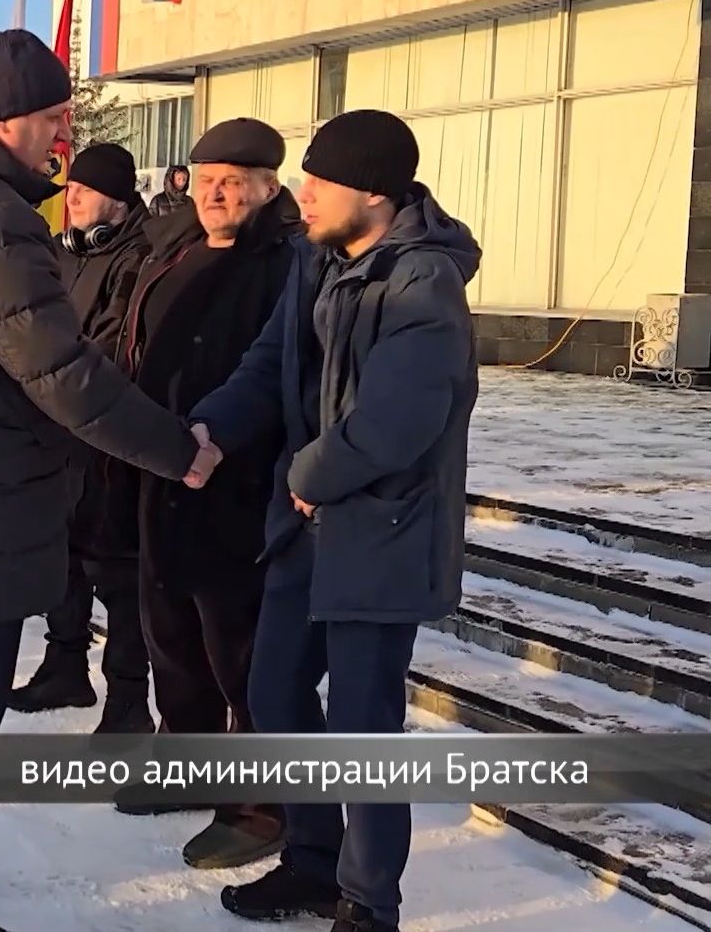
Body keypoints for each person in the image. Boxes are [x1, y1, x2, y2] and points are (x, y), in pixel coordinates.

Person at [0, 30, 219, 932]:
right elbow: (59, 372)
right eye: (57, 115)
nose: (65, 135)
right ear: (9, 116)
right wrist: (178, 450)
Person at [196, 109, 480, 932]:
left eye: (322, 180)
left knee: (363, 724)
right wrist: (208, 429)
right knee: (275, 688)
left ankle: (369, 902)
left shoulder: (423, 283)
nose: (303, 191)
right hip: (308, 529)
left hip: (384, 533)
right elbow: (267, 365)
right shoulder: (314, 262)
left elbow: (399, 419)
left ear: (376, 194)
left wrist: (310, 473)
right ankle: (314, 860)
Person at [112, 119, 300, 870]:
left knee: (240, 647)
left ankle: (260, 805)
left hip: (242, 483)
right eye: (206, 179)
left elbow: (278, 377)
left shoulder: (286, 265)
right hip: (162, 473)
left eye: (233, 182)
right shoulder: (175, 251)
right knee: (169, 628)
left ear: (268, 188)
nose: (215, 194)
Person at [9, 143, 156, 729]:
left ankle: (128, 700)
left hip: (109, 438)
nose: (70, 199)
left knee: (118, 574)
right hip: (57, 432)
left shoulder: (140, 258)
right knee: (62, 557)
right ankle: (65, 667)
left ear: (117, 201)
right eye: (70, 188)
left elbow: (113, 345)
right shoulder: (64, 250)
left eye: (85, 191)